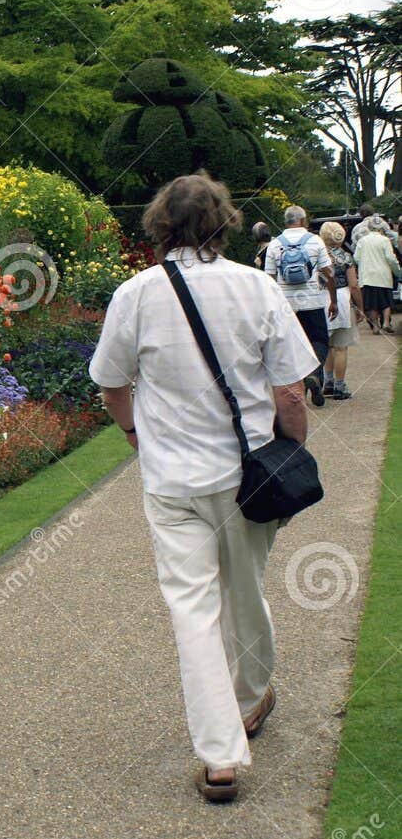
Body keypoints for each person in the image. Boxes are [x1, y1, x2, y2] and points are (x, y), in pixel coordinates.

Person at [89, 174, 314, 804]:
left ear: (160, 225)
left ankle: (220, 757)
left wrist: (135, 431)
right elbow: (291, 391)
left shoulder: (134, 294)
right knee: (247, 590)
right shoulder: (255, 286)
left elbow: (111, 384)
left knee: (193, 611)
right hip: (247, 476)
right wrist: (292, 450)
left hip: (173, 481)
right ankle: (249, 699)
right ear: (224, 223)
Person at [263, 206, 337, 405]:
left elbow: (268, 279)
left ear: (285, 221)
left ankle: (301, 389)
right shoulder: (315, 241)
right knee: (320, 342)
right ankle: (313, 375)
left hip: (286, 305)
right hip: (312, 301)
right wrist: (334, 301)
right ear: (303, 221)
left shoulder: (274, 244)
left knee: (293, 347)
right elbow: (329, 273)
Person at [319, 221, 362, 397]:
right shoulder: (346, 257)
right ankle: (339, 386)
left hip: (322, 299)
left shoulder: (318, 256)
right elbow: (353, 285)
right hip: (342, 299)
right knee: (341, 346)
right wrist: (360, 307)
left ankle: (327, 382)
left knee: (328, 345)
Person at [354, 219, 401, 334]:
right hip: (383, 275)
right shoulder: (385, 240)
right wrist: (397, 271)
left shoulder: (362, 240)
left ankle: (375, 326)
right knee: (386, 301)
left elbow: (356, 257)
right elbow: (390, 258)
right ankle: (385, 323)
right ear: (381, 228)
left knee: (371, 303)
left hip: (367, 276)